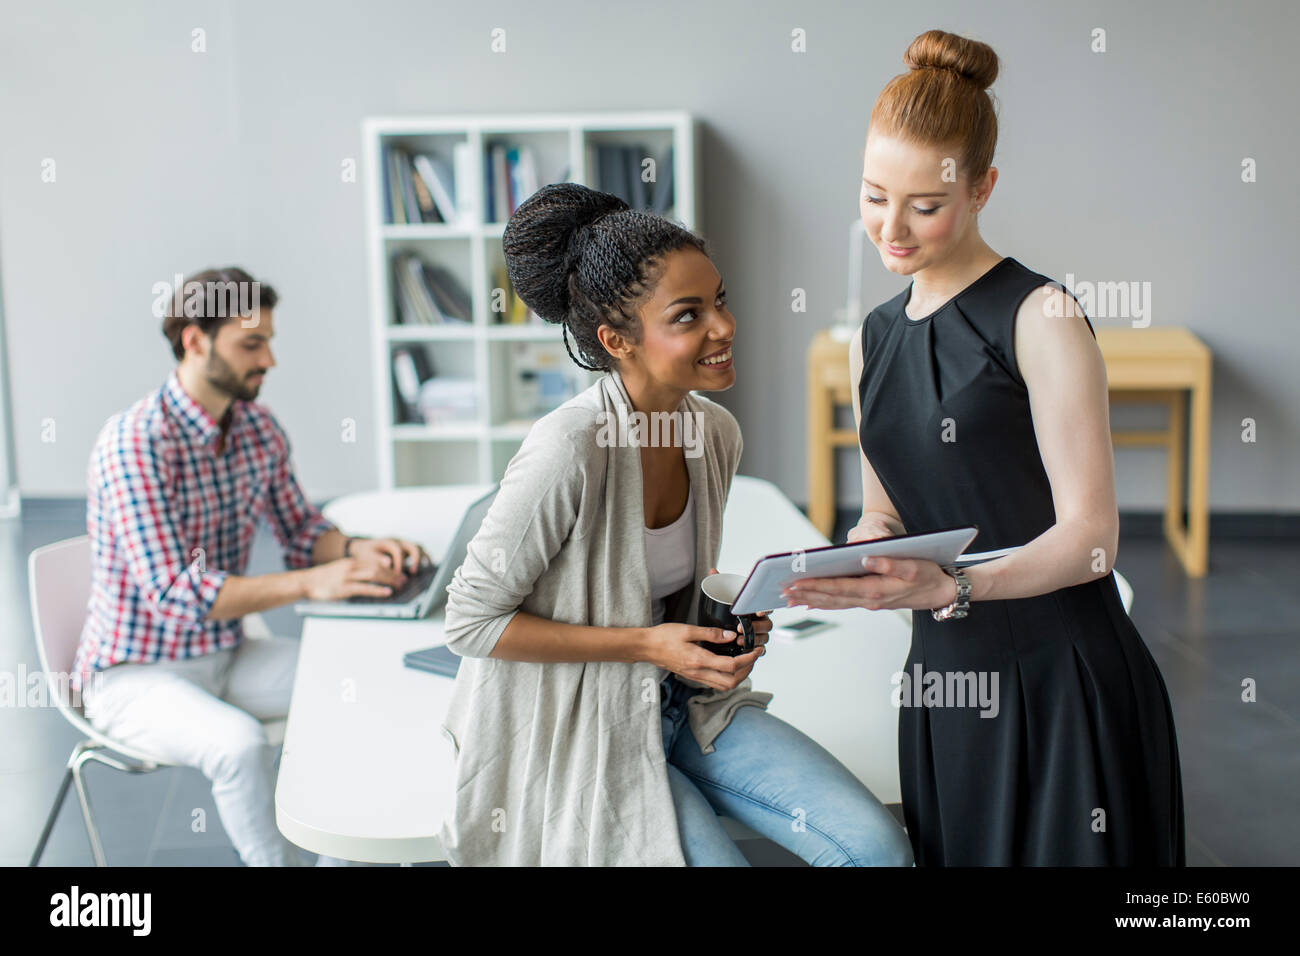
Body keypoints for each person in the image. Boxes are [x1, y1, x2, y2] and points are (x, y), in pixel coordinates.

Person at [782, 30, 1185, 865]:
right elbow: (888, 502)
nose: (890, 228)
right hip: (943, 684)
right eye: (872, 196)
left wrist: (954, 585)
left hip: (1062, 681)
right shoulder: (874, 337)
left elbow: (1094, 538)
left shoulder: (1041, 316)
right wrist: (870, 549)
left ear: (982, 188)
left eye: (924, 206)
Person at [439, 183, 912, 867]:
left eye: (719, 300)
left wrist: (723, 630)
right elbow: (469, 622)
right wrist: (649, 645)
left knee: (878, 850)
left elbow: (665, 593)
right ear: (616, 341)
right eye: (688, 316)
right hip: (581, 726)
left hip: (682, 706)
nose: (723, 326)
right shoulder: (567, 451)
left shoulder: (712, 432)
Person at [72, 266, 425, 866]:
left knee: (351, 690)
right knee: (236, 746)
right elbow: (174, 590)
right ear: (195, 340)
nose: (270, 360)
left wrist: (355, 549)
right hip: (133, 674)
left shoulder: (258, 429)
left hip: (226, 653)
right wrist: (313, 582)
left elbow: (301, 530)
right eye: (251, 343)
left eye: (268, 340)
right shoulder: (133, 442)